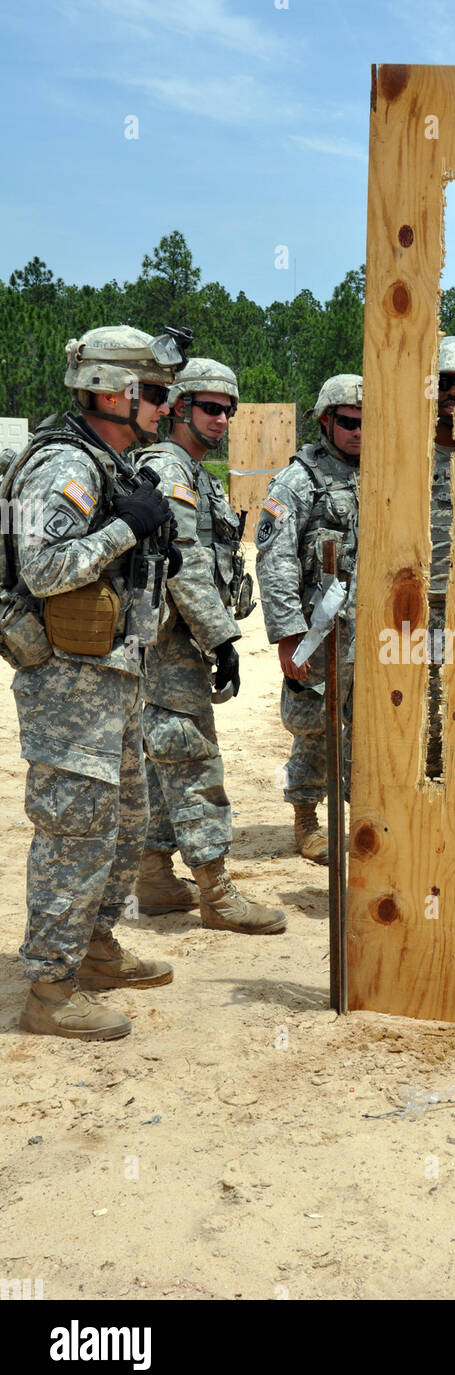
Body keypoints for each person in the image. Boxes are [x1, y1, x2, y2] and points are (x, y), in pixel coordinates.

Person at [2, 325, 186, 1040]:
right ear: (116, 392)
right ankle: (49, 988)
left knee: (122, 826)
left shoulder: (112, 464)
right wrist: (126, 530)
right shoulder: (66, 469)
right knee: (74, 835)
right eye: (157, 393)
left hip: (113, 681)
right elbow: (44, 570)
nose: (166, 408)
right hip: (69, 689)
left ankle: (97, 945)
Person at [133, 358, 285, 933]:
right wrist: (222, 638)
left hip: (181, 640)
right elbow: (184, 567)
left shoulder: (197, 473)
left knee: (163, 759)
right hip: (172, 642)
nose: (221, 419)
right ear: (178, 407)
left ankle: (152, 879)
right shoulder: (167, 470)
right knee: (192, 756)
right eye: (209, 407)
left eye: (229, 409)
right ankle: (218, 894)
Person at [255, 375, 360, 864]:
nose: (359, 432)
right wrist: (289, 634)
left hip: (377, 632)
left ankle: (365, 817)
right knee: (315, 728)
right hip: (321, 635)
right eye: (348, 423)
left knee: (374, 728)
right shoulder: (300, 480)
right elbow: (275, 559)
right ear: (325, 421)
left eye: (367, 423)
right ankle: (306, 820)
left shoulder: (389, 472)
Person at [426, 335, 455, 779]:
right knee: (428, 722)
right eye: (445, 381)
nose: (453, 391)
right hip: (426, 608)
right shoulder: (407, 458)